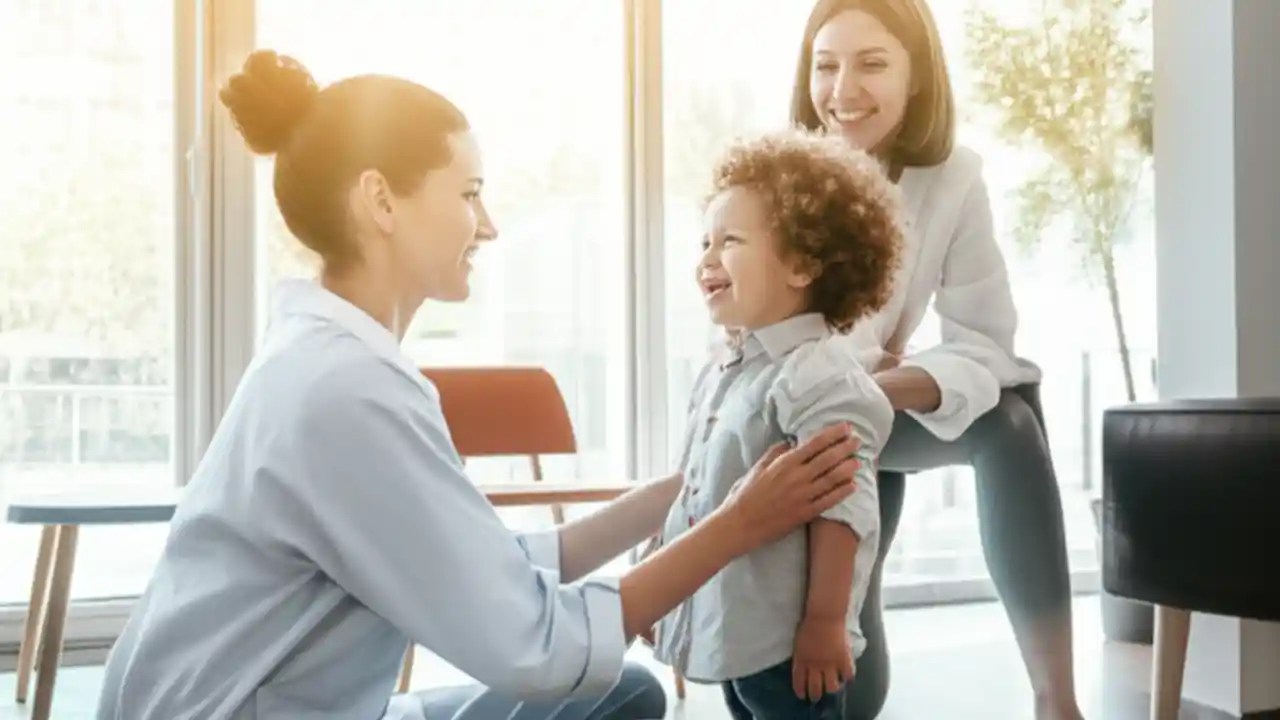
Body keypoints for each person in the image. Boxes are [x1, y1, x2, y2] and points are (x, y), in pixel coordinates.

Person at [94, 50, 867, 720]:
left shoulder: (327, 360)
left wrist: (691, 485)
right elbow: (538, 647)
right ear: (381, 201)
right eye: (469, 193)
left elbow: (494, 562)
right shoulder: (344, 393)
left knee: (624, 696)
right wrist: (737, 523)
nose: (489, 224)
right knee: (614, 692)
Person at [789, 1, 1083, 718]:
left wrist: (890, 383)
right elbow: (757, 344)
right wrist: (860, 378)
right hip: (790, 422)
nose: (842, 88)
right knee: (859, 684)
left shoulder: (952, 179)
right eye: (826, 66)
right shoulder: (781, 176)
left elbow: (986, 340)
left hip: (878, 402)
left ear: (918, 78)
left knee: (1011, 423)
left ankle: (1057, 701)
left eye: (873, 63)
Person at [648, 131, 901, 720]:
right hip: (740, 629)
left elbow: (845, 507)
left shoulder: (818, 375)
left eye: (729, 241)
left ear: (803, 263)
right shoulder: (729, 367)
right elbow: (699, 479)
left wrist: (823, 623)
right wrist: (660, 555)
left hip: (789, 647)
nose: (706, 259)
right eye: (704, 241)